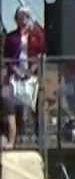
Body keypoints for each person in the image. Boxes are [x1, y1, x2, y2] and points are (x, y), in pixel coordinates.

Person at [3, 7, 44, 140]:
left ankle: (39, 134)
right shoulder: (11, 37)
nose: (23, 20)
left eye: (26, 16)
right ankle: (18, 134)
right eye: (20, 17)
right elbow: (7, 58)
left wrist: (31, 70)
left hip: (32, 74)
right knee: (17, 104)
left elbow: (40, 54)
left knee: (37, 103)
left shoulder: (36, 35)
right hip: (15, 74)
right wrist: (17, 71)